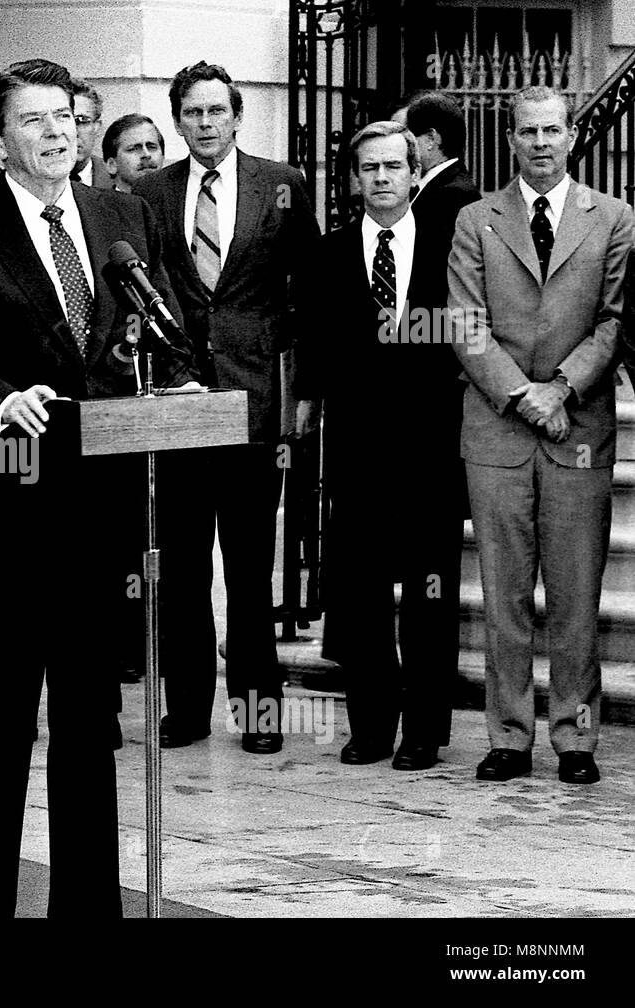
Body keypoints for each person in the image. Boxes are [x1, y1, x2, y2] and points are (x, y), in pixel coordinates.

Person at [0, 58, 200, 917]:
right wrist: (2, 396)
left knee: (89, 731)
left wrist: (181, 379)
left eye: (66, 118)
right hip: (6, 512)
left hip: (102, 517)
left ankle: (88, 910)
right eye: (34, 121)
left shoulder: (124, 215)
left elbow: (166, 322)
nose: (57, 133)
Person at [449, 86, 633, 786]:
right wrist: (525, 396)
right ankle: (508, 736)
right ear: (511, 139)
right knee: (503, 594)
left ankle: (576, 739)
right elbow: (465, 322)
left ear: (571, 136)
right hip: (498, 431)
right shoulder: (477, 219)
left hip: (577, 428)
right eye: (528, 131)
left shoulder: (613, 218)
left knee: (577, 594)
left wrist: (563, 388)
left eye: (553, 130)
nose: (541, 143)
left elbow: (615, 320)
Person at [135, 61, 319, 752]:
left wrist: (303, 394)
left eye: (217, 112)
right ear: (178, 120)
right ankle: (184, 709)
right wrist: (169, 372)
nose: (206, 125)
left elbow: (310, 294)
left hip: (254, 406)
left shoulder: (282, 185)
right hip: (179, 402)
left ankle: (259, 711)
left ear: (237, 116)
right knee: (180, 566)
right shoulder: (150, 191)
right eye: (193, 114)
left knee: (249, 567)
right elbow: (143, 289)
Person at [293, 121, 463, 771]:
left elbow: (466, 339)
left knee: (429, 595)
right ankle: (369, 725)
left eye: (395, 166)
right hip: (358, 453)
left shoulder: (452, 245)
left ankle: (423, 730)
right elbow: (313, 347)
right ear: (354, 179)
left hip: (431, 451)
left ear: (415, 172)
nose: (384, 177)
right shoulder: (328, 255)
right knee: (361, 596)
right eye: (371, 168)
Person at [393, 91, 480, 248]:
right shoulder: (434, 185)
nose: (395, 145)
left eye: (404, 136)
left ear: (431, 139)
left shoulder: (453, 194)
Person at [102, 113, 165, 194]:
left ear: (163, 157)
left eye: (152, 147)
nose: (146, 155)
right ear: (112, 165)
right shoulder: (98, 206)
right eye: (133, 149)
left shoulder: (179, 204)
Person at [70, 79, 112, 188]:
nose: (73, 131)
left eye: (81, 121)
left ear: (96, 127)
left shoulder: (116, 179)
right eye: (64, 120)